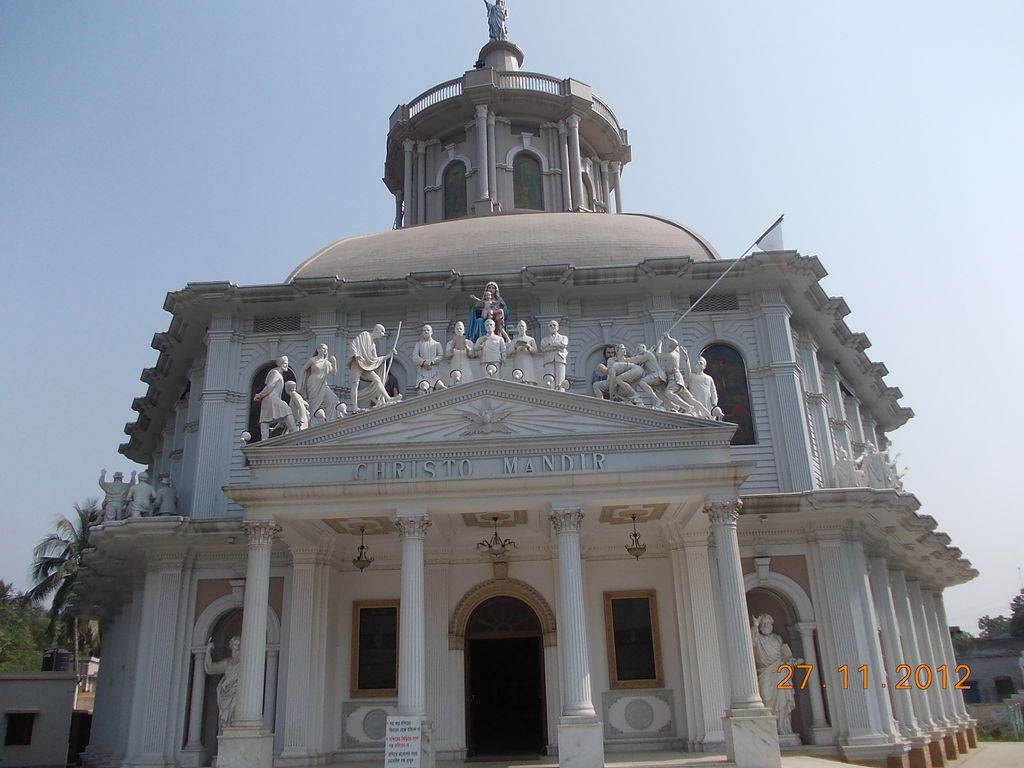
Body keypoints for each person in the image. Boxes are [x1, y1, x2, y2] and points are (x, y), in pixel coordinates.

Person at [751, 614, 801, 735]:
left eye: (768, 623)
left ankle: (783, 728)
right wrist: (755, 626)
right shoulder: (759, 639)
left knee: (783, 702)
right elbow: (753, 640)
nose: (766, 626)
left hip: (780, 673)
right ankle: (769, 731)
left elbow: (784, 656)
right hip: (765, 673)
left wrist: (791, 662)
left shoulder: (778, 638)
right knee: (766, 699)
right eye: (763, 624)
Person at [654, 335, 711, 417]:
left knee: (668, 393)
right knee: (690, 399)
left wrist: (659, 343)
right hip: (678, 379)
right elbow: (675, 344)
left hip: (674, 379)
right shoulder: (677, 352)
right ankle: (707, 413)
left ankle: (688, 407)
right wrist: (668, 337)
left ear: (669, 346)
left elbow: (658, 354)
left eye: (668, 344)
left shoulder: (671, 355)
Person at [348, 325, 400, 411]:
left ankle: (388, 398)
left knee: (377, 379)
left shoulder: (373, 346)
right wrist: (356, 354)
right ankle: (355, 407)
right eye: (382, 332)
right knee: (355, 384)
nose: (383, 334)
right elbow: (353, 344)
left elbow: (375, 360)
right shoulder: (364, 335)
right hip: (357, 363)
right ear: (376, 330)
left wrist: (389, 355)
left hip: (365, 366)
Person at [204, 635, 241, 734]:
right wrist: (208, 652)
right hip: (225, 694)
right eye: (234, 645)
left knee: (235, 712)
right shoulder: (227, 663)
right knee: (225, 720)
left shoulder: (246, 663)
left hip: (238, 693)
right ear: (231, 646)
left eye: (238, 645)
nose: (236, 647)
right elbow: (211, 668)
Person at [253, 356, 295, 439]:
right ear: (280, 364)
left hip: (270, 399)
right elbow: (270, 386)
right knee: (287, 410)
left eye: (287, 363)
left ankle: (264, 439)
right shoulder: (275, 373)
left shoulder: (277, 373)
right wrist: (260, 395)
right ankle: (294, 432)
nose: (286, 365)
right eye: (285, 363)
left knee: (265, 419)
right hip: (271, 399)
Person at [298, 344, 340, 421]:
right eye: (323, 348)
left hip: (323, 384)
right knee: (314, 403)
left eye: (326, 349)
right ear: (318, 349)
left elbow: (333, 372)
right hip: (313, 383)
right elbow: (303, 369)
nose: (325, 351)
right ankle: (313, 421)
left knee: (333, 399)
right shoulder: (313, 360)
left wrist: (334, 362)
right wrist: (300, 383)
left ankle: (331, 419)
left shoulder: (326, 362)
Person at [412, 324, 445, 391]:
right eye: (424, 330)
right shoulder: (418, 344)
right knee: (423, 388)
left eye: (428, 330)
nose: (426, 332)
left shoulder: (437, 344)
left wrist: (432, 361)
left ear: (431, 332)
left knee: (440, 386)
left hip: (434, 371)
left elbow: (441, 355)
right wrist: (423, 362)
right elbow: (414, 356)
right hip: (422, 372)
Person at [507, 320, 538, 384]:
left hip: (528, 361)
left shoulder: (531, 339)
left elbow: (535, 351)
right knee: (518, 378)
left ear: (526, 328)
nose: (521, 328)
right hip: (518, 360)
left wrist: (528, 346)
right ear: (517, 329)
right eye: (519, 327)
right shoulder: (514, 340)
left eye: (522, 326)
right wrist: (515, 347)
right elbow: (509, 352)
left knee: (528, 377)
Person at [541, 320, 569, 389]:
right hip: (548, 360)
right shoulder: (544, 339)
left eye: (554, 325)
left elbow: (563, 345)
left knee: (560, 380)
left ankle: (561, 393)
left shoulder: (563, 337)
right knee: (549, 380)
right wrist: (557, 346)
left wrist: (550, 345)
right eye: (550, 325)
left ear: (558, 327)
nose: (552, 327)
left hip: (560, 358)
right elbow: (543, 348)